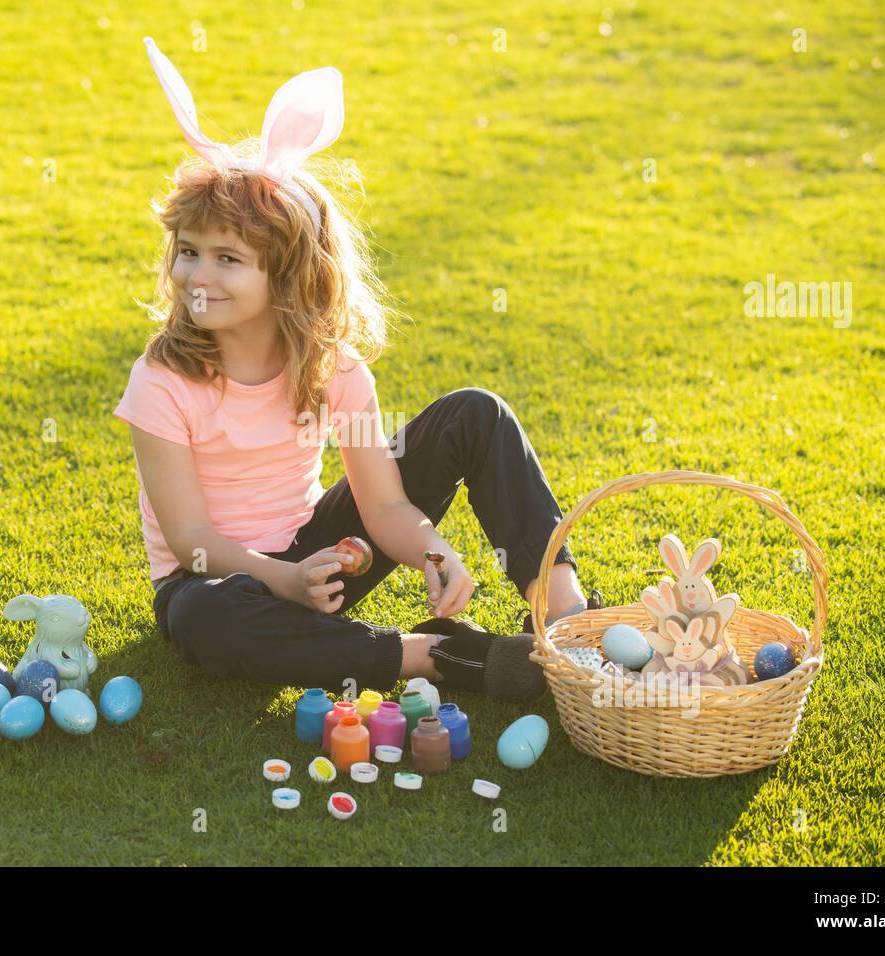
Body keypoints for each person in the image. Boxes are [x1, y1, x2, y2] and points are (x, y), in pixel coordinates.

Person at [113, 39, 595, 702]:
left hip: (323, 555)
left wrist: (429, 549)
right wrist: (283, 581)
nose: (197, 275)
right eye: (189, 252)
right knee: (202, 617)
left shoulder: (332, 368)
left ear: (286, 273)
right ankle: (434, 656)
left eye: (228, 259)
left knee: (473, 414)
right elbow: (189, 540)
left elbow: (386, 505)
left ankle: (566, 615)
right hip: (215, 580)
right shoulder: (163, 379)